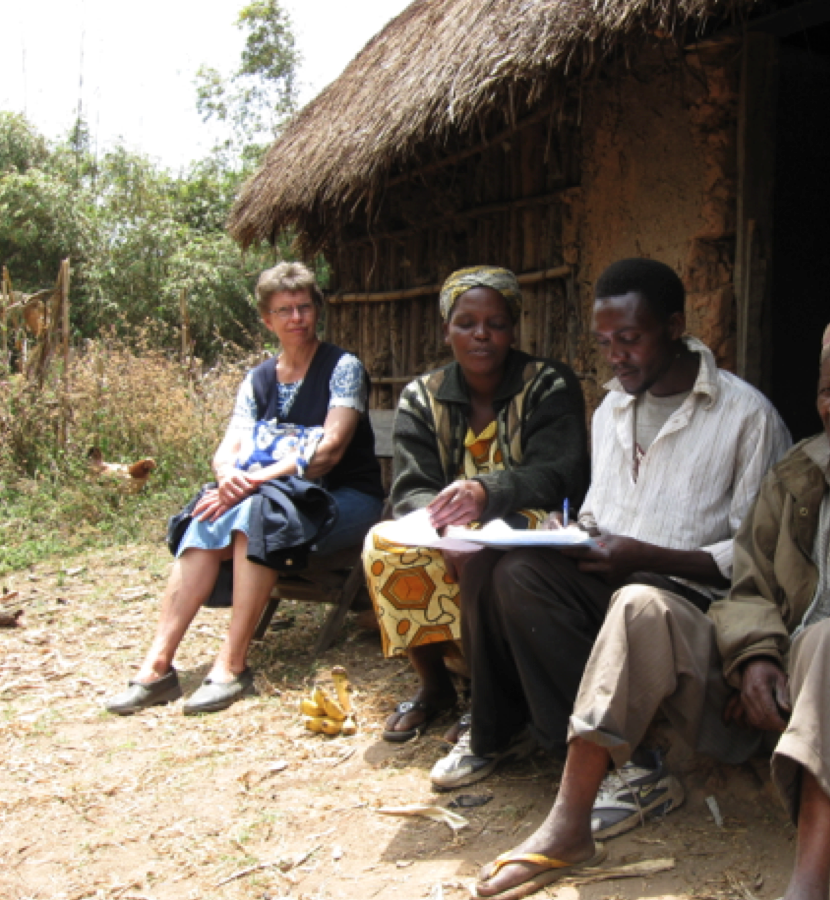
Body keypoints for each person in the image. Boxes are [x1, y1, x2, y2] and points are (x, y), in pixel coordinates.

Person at [472, 311, 830, 900]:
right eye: (829, 391)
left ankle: (807, 884)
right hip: (769, 683)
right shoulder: (801, 469)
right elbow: (749, 577)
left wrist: (801, 678)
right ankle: (570, 824)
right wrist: (754, 657)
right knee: (638, 604)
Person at [431, 257, 792, 797]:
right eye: (604, 343)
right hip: (618, 573)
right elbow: (602, 510)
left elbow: (755, 558)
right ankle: (512, 735)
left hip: (687, 600)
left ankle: (626, 761)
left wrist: (645, 556)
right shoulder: (613, 408)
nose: (616, 356)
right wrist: (568, 529)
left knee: (542, 580)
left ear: (673, 328)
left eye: (629, 338)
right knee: (496, 565)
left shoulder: (746, 417)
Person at [105, 261, 384, 716]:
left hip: (343, 498)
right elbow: (227, 448)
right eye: (285, 310)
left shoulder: (343, 368)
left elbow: (330, 451)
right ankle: (157, 668)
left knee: (254, 518)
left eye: (304, 307)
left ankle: (231, 666)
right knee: (207, 513)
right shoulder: (257, 379)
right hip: (271, 496)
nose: (297, 318)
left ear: (317, 310)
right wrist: (226, 477)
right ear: (266, 319)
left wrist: (251, 480)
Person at [361, 266, 589, 742]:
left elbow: (558, 472)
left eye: (496, 323)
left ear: (513, 329)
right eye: (466, 323)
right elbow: (411, 486)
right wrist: (443, 527)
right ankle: (435, 686)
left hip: (528, 516)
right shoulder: (420, 398)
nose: (481, 334)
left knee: (491, 554)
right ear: (447, 330)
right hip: (448, 525)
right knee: (384, 546)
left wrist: (487, 495)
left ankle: (493, 696)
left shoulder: (547, 384)